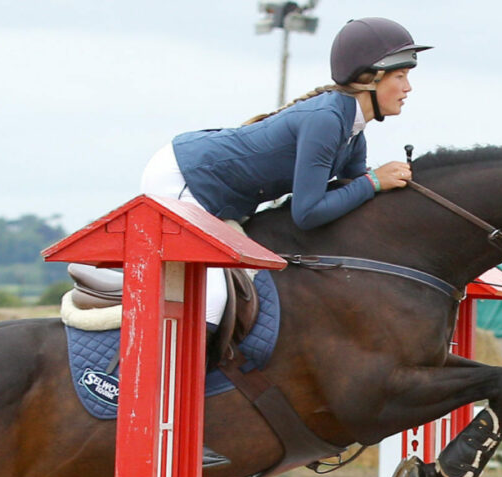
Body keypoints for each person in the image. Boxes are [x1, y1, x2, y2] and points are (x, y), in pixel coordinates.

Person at [140, 17, 429, 332]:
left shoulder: (353, 134)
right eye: (400, 76)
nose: (408, 87)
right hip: (185, 179)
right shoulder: (326, 121)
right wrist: (374, 181)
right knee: (214, 296)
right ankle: (176, 380)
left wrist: (389, 189)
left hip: (211, 189)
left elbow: (353, 197)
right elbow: (308, 212)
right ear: (369, 79)